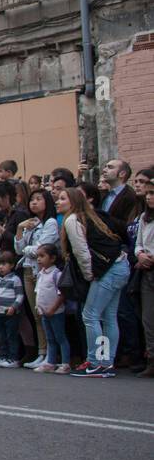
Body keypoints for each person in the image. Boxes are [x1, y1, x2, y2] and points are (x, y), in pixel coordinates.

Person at [59, 186, 130, 377]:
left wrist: (89, 276)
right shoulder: (90, 216)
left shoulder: (73, 220)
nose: (58, 201)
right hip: (120, 265)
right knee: (108, 316)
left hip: (108, 271)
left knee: (90, 315)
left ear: (73, 202)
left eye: (63, 198)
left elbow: (81, 252)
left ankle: (96, 362)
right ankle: (106, 362)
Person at [14, 187, 59, 370]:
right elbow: (19, 248)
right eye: (32, 199)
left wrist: (28, 250)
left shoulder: (50, 223)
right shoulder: (30, 223)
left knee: (45, 314)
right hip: (27, 270)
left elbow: (41, 249)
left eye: (39, 199)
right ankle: (42, 352)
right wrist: (19, 228)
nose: (34, 202)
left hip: (43, 273)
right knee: (35, 314)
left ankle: (51, 353)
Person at [32, 243, 70, 374]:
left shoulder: (56, 274)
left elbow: (62, 294)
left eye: (42, 256)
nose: (39, 259)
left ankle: (65, 363)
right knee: (49, 338)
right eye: (37, 256)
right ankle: (50, 362)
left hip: (56, 312)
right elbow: (38, 291)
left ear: (53, 258)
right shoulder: (41, 274)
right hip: (44, 312)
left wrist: (53, 309)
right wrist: (38, 307)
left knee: (60, 337)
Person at [131, 183, 154, 377]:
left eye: (152, 194)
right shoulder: (144, 219)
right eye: (147, 194)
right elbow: (138, 243)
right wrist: (140, 255)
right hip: (147, 272)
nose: (148, 197)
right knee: (148, 318)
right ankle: (151, 360)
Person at [99, 159, 141, 224]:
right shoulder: (103, 193)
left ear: (122, 174)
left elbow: (127, 225)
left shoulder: (130, 196)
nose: (104, 170)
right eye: (105, 167)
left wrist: (103, 218)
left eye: (110, 167)